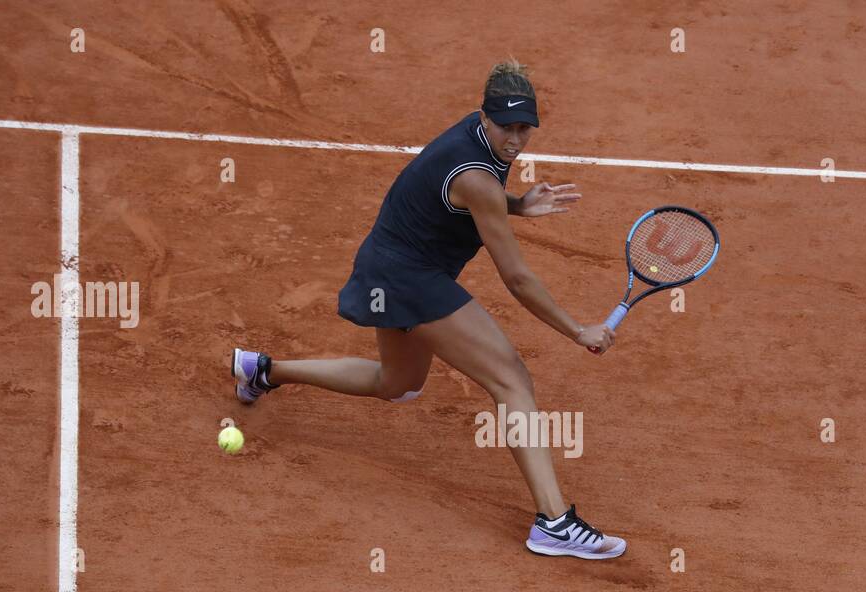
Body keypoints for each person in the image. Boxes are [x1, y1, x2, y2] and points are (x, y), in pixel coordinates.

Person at [231, 60, 625, 559]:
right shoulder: (479, 176)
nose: (516, 140)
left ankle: (263, 371)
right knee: (511, 379)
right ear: (485, 118)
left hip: (388, 267)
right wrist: (577, 331)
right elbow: (518, 278)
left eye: (525, 128)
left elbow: (466, 195)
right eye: (507, 127)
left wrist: (519, 206)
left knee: (397, 385)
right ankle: (554, 522)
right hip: (410, 279)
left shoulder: (473, 140)